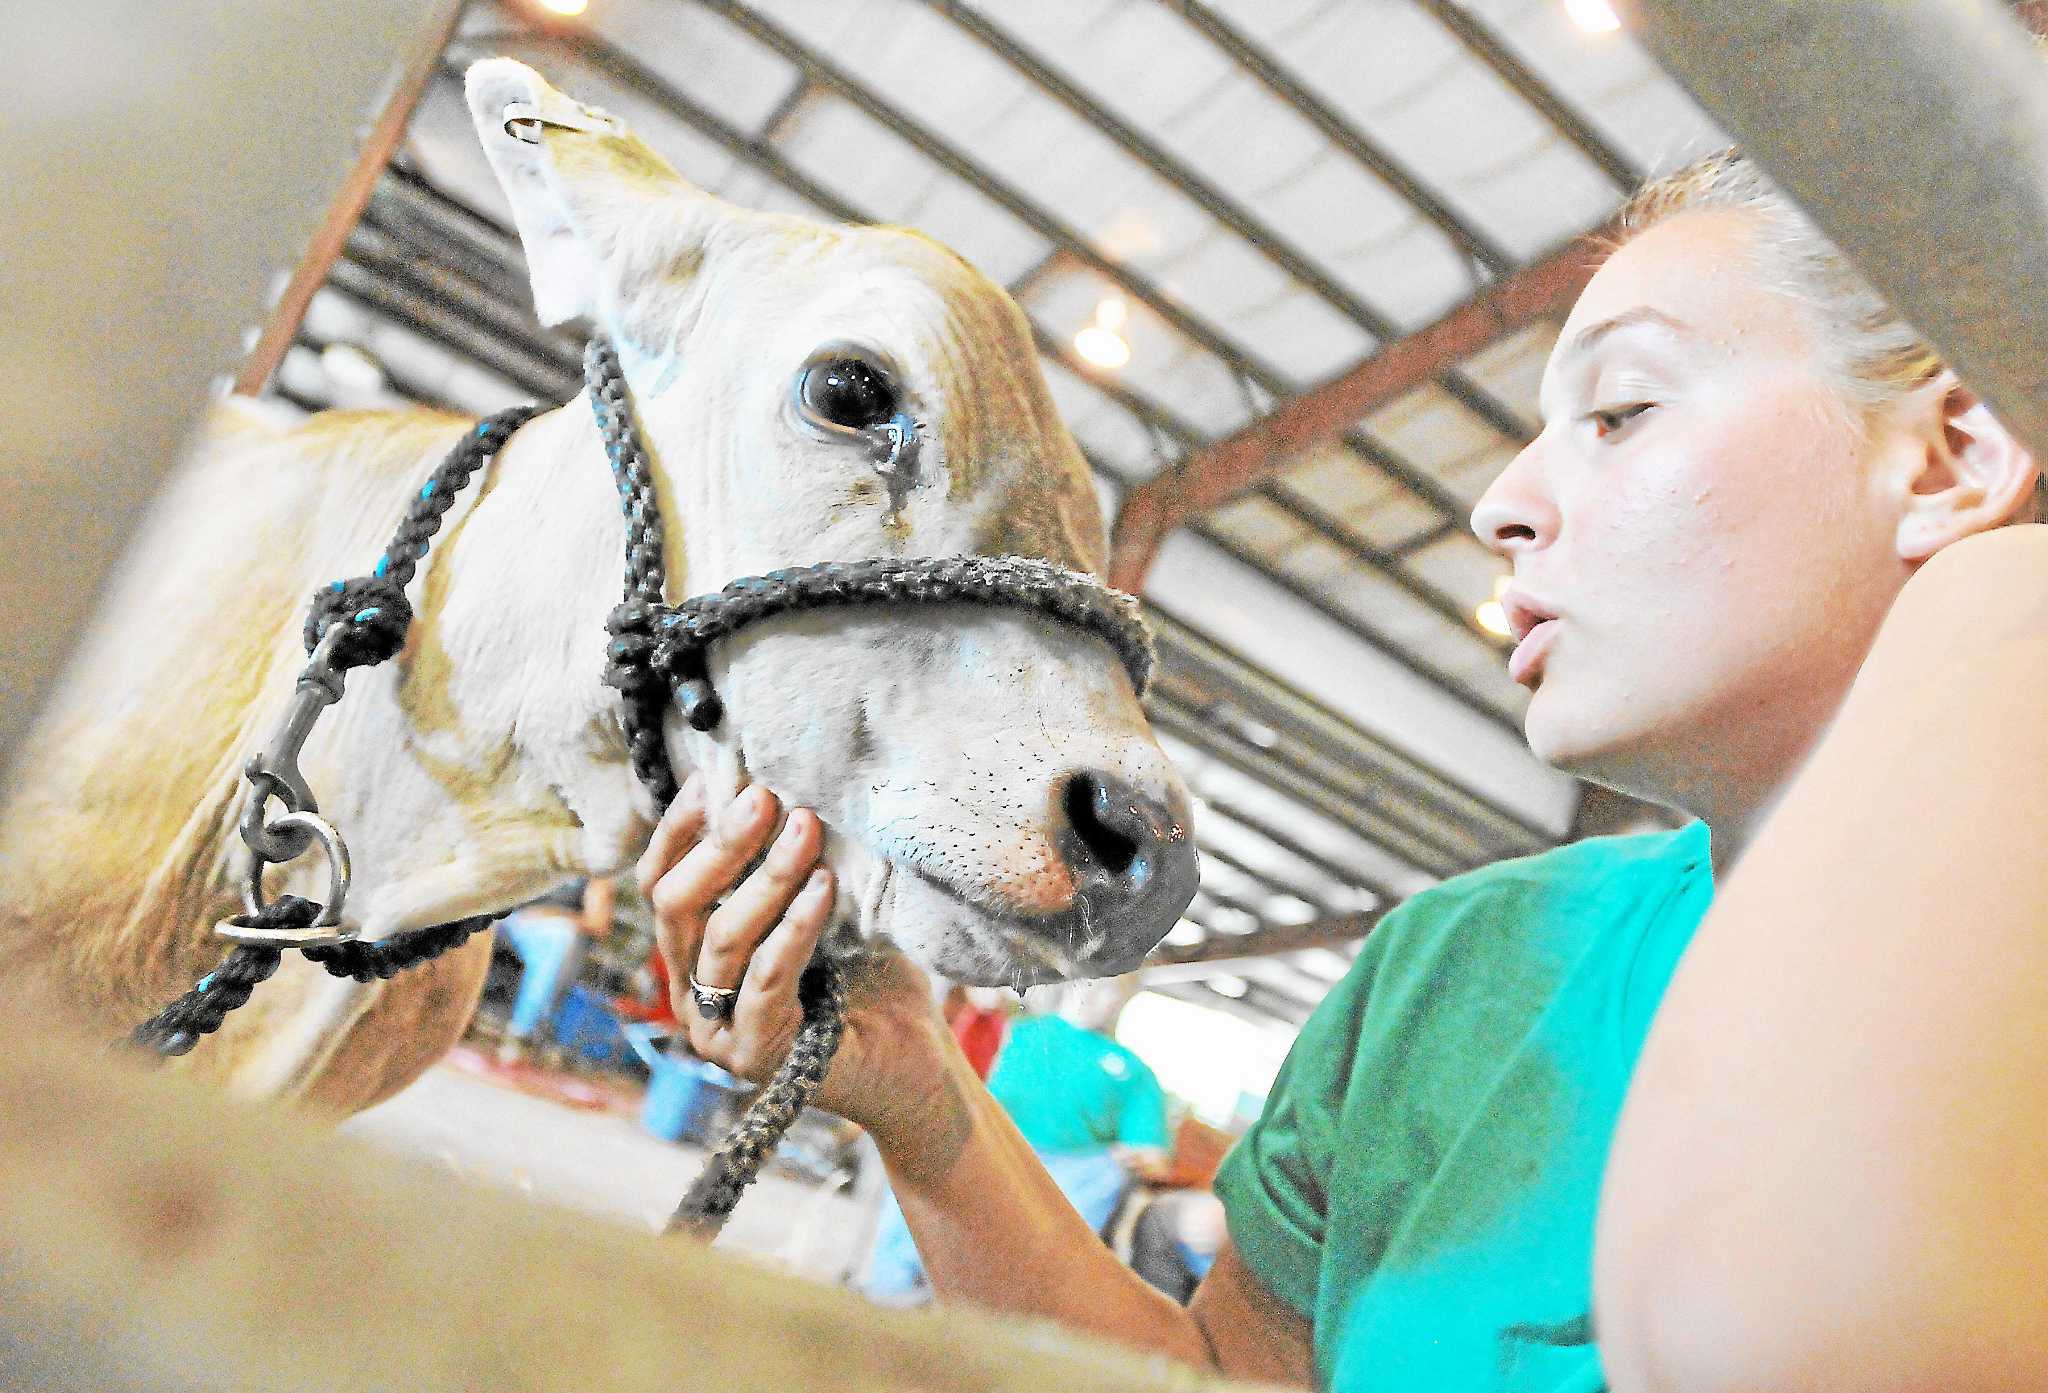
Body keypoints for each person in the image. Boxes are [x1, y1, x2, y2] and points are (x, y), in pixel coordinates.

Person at [633, 143, 2046, 1392]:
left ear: (1955, 454)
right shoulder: (1459, 966)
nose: (1503, 503)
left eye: (1621, 412)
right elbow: (1217, 1373)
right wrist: (920, 1098)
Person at [861, 974, 1169, 1303]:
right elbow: (970, 1031)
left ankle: (1036, 1299)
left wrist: (1138, 1158)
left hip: (1064, 1175)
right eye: (1093, 983)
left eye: (1112, 990)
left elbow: (1154, 1158)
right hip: (986, 1143)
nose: (1097, 995)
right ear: (1072, 981)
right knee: (925, 1140)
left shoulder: (1134, 1071)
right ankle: (891, 1287)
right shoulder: (1013, 1026)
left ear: (1125, 999)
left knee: (1109, 1173)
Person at [494, 875, 615, 1066]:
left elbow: (597, 923)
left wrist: (548, 914)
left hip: (550, 934)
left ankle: (521, 1033)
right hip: (510, 921)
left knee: (559, 937)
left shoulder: (595, 873)